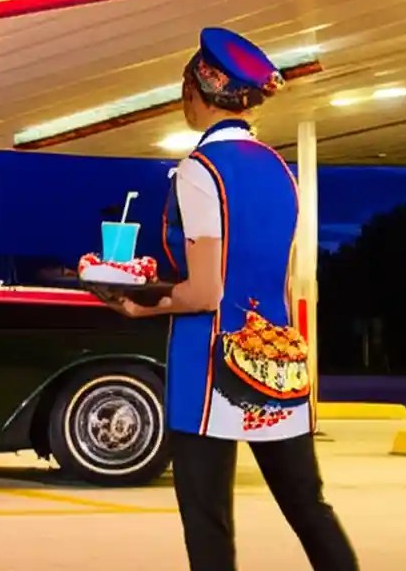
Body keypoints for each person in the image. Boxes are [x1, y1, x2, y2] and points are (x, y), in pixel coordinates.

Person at [116, 28, 359, 571]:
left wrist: (143, 303)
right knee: (307, 506)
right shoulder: (280, 170)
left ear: (198, 90)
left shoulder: (200, 172)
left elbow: (205, 292)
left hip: (208, 370)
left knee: (208, 522)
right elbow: (281, 277)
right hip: (279, 360)